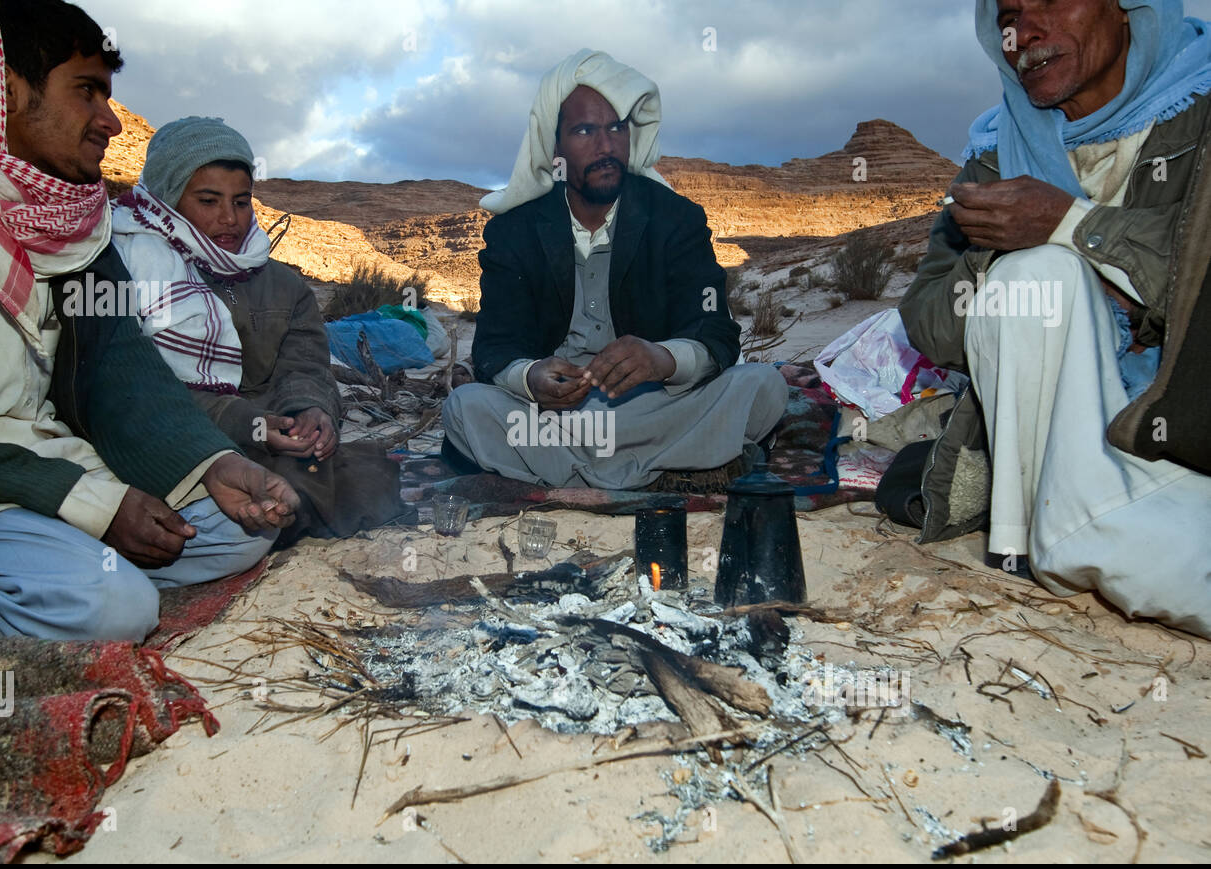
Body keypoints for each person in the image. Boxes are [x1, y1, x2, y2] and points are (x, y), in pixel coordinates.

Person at [0, 0, 301, 643]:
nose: (111, 122)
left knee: (235, 532)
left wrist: (211, 464)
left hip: (41, 464)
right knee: (115, 607)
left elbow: (119, 366)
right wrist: (90, 505)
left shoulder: (72, 222)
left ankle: (44, 580)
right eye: (87, 92)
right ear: (2, 91)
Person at [899, 0, 1211, 636]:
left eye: (1052, 0)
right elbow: (928, 319)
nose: (1026, 31)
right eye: (1010, 14)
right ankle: (1037, 540)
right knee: (1036, 278)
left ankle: (1084, 532)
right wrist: (1005, 252)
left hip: (1186, 421)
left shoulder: (1198, 114)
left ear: (1130, 10)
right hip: (1056, 447)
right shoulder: (995, 149)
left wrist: (1072, 226)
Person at [441, 49, 788, 490]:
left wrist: (663, 358)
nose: (606, 147)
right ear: (556, 147)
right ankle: (665, 468)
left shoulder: (676, 219)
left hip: (655, 406)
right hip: (558, 418)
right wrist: (531, 377)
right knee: (467, 408)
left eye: (616, 128)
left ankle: (579, 477)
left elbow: (716, 331)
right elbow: (495, 347)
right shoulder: (515, 232)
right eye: (585, 130)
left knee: (762, 387)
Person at [111, 117, 403, 545]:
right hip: (176, 435)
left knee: (365, 472)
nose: (229, 218)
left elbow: (305, 365)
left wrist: (310, 412)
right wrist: (249, 425)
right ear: (168, 199)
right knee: (278, 489)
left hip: (272, 435)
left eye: (242, 202)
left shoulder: (282, 283)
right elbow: (135, 389)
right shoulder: (129, 269)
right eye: (209, 201)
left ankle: (268, 518)